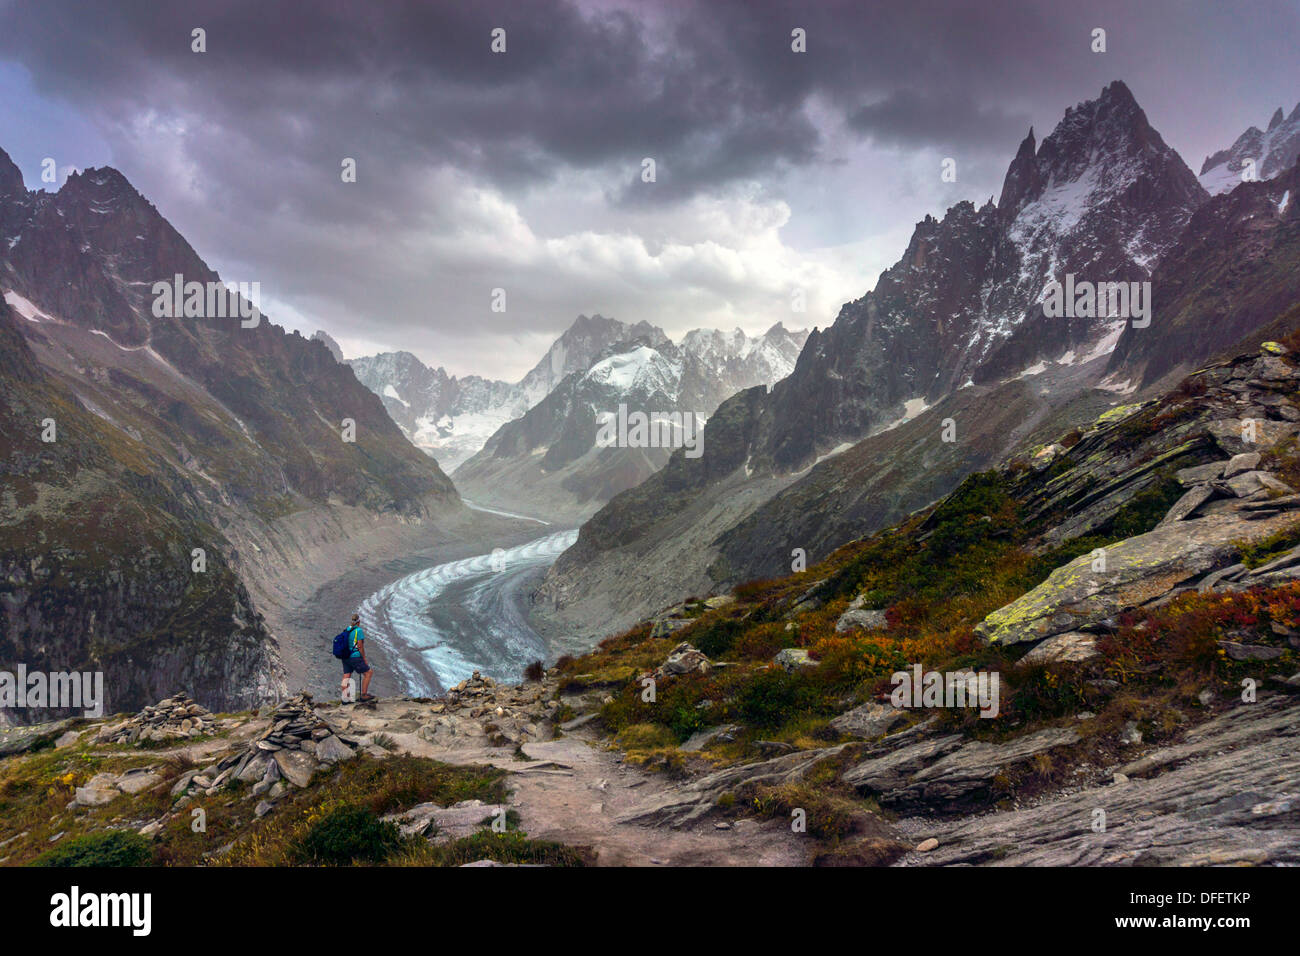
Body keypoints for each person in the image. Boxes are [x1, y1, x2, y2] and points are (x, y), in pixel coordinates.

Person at [340, 614, 375, 703]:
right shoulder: (358, 631)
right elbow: (360, 646)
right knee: (368, 673)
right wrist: (364, 659)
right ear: (358, 622)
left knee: (346, 675)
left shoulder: (347, 629)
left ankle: (345, 698)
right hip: (355, 656)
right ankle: (364, 695)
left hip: (345, 656)